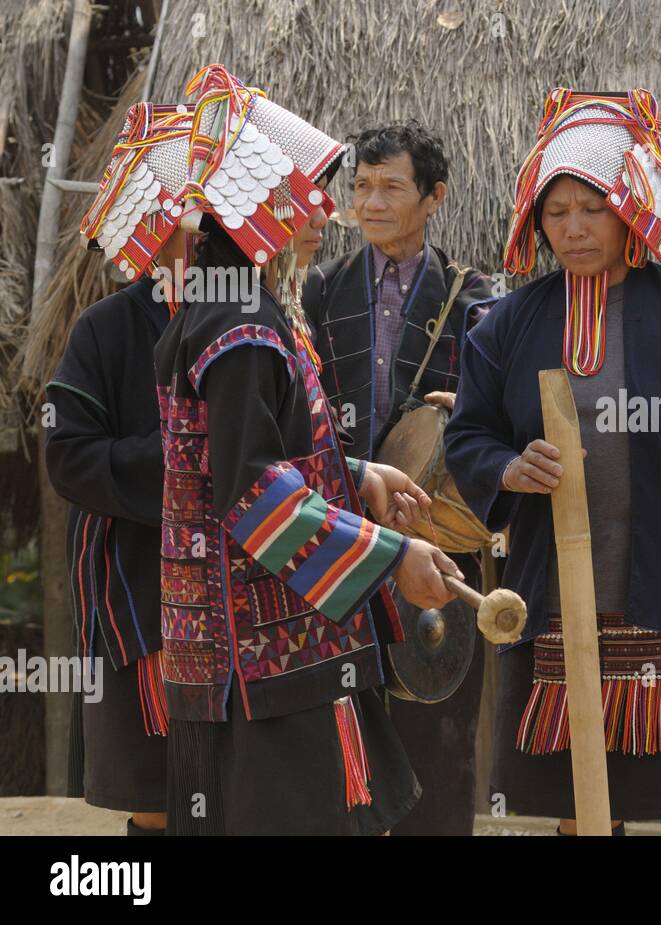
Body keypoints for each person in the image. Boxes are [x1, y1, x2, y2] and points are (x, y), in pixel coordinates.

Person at [154, 64, 459, 835]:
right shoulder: (243, 330)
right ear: (255, 208)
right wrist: (392, 555)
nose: (327, 212)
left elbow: (259, 452)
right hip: (265, 672)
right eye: (304, 196)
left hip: (256, 662)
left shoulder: (229, 307)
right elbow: (253, 494)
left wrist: (358, 474)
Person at [444, 88, 661, 835]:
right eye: (556, 211)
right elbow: (468, 435)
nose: (573, 228)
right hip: (551, 596)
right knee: (579, 807)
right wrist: (509, 467)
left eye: (593, 207)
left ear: (629, 208)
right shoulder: (506, 322)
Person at [302, 122, 495, 835]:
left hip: (436, 541)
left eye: (390, 187)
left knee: (440, 730)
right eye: (359, 187)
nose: (369, 202)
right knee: (344, 729)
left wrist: (470, 408)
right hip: (341, 538)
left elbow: (505, 415)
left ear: (434, 196)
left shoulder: (474, 297)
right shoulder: (319, 292)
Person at [45, 101, 196, 835]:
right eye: (192, 222)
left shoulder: (265, 321)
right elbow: (69, 456)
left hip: (248, 590)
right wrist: (187, 463)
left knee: (248, 789)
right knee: (158, 793)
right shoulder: (104, 328)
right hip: (139, 588)